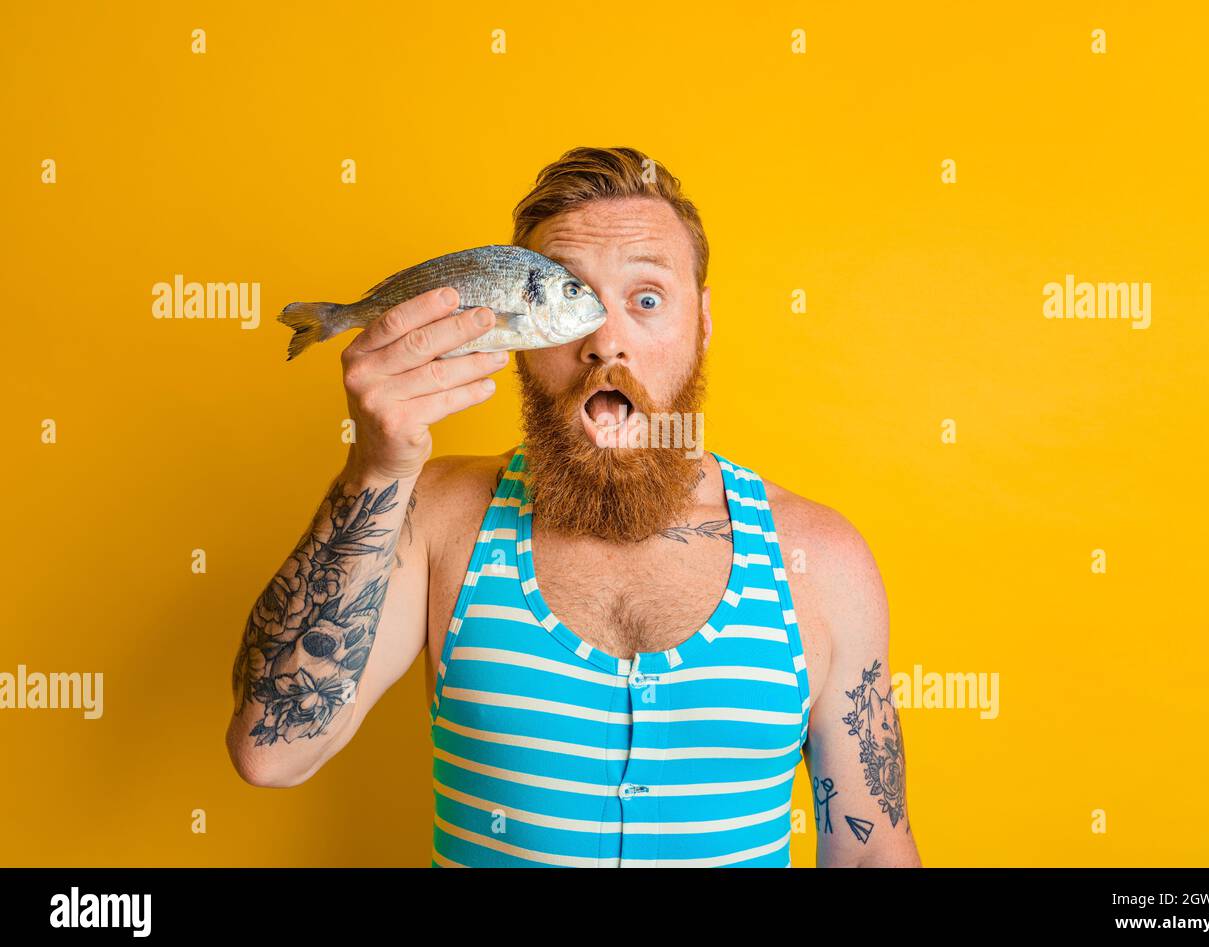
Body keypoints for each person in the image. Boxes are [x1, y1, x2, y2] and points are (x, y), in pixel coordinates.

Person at [226, 146, 921, 868]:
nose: (604, 341)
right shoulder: (435, 517)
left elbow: (870, 851)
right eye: (566, 300)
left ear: (702, 323)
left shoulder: (820, 560)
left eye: (646, 299)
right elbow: (271, 751)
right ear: (515, 335)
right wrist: (376, 468)